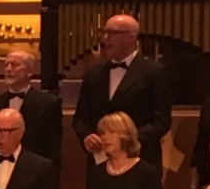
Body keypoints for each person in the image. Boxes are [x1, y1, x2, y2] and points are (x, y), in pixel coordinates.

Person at [74, 13, 174, 155]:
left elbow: (161, 122)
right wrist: (86, 137)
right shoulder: (93, 74)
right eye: (104, 33)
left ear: (131, 37)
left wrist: (125, 141)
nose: (105, 39)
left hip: (140, 158)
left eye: (113, 33)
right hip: (100, 159)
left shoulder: (154, 72)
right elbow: (80, 118)